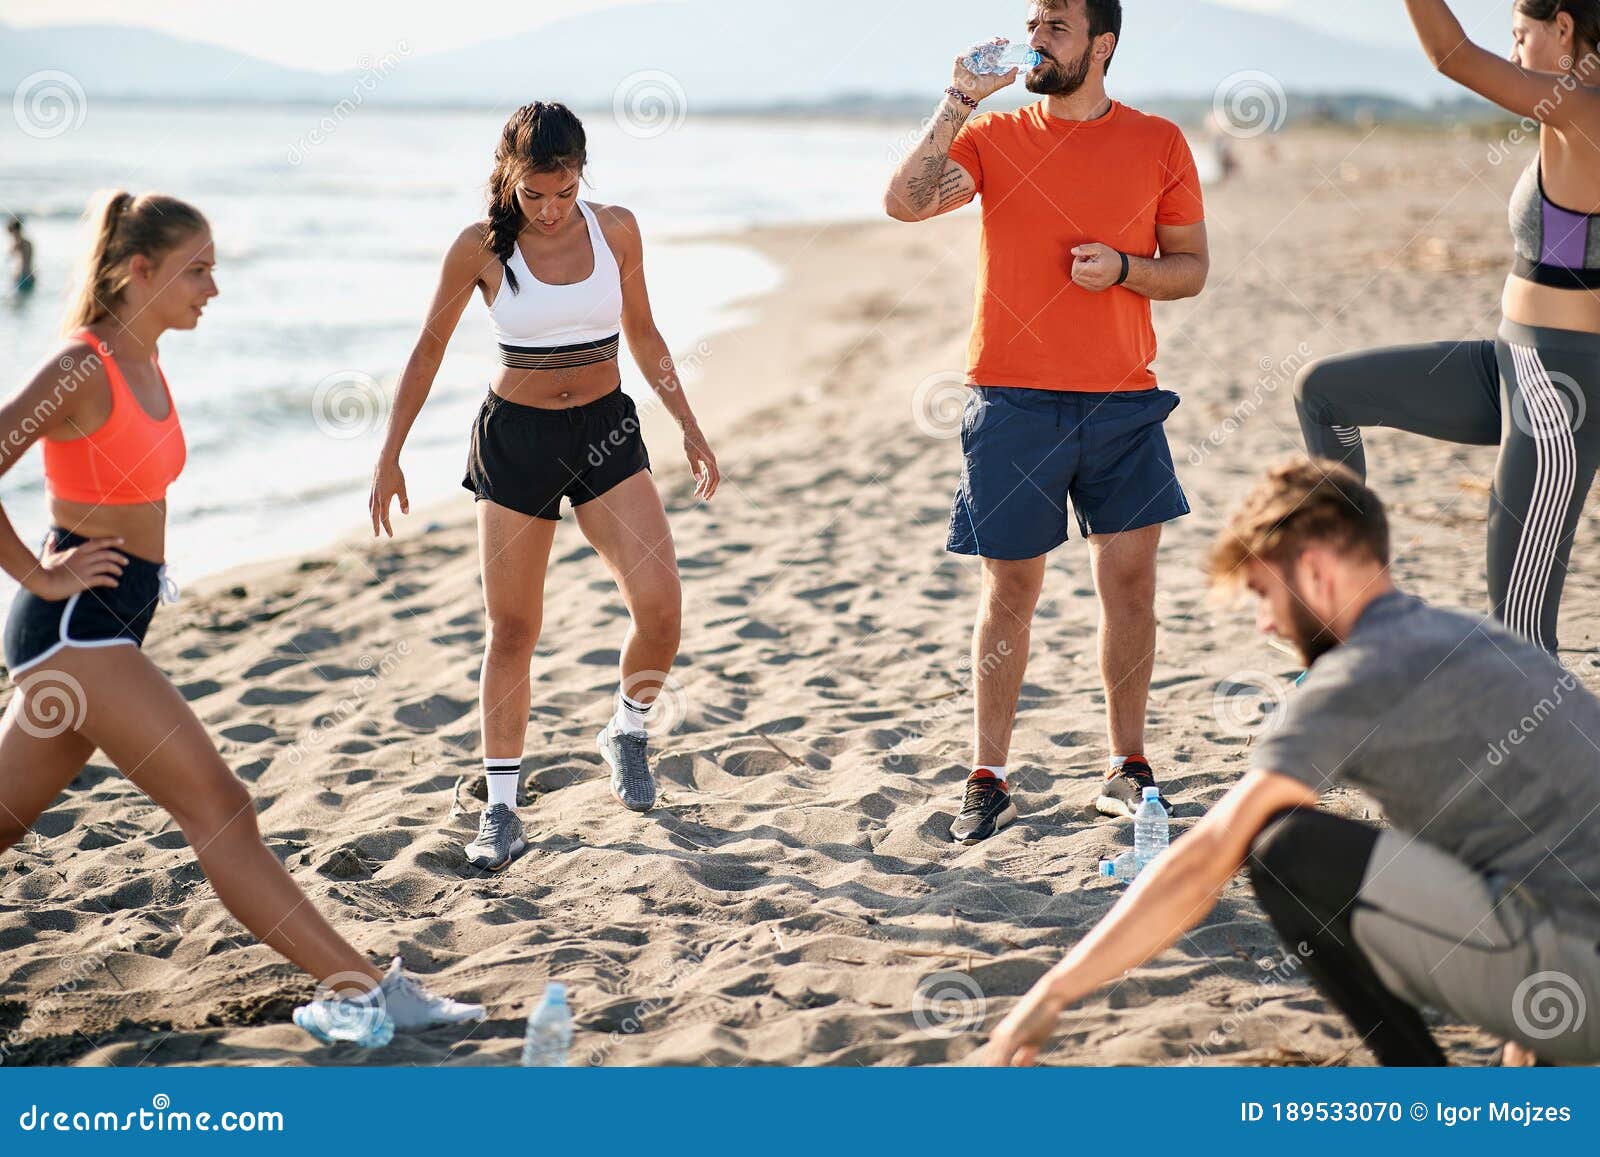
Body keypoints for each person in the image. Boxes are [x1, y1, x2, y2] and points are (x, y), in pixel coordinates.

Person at [0, 191, 482, 1042]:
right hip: (79, 633)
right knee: (221, 807)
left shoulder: (145, 358)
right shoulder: (83, 365)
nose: (214, 289)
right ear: (137, 269)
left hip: (97, 631)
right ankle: (362, 990)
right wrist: (39, 570)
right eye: (198, 269)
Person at [981, 458, 1600, 1067]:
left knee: (1285, 849)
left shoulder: (1358, 674)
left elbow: (1205, 860)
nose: (1265, 624)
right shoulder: (1469, 637)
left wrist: (1053, 993)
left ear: (1312, 570)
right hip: (1569, 967)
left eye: (1263, 594)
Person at [883, 0, 1209, 843]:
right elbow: (905, 205)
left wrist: (1128, 270)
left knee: (1129, 587)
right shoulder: (997, 138)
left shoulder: (1159, 142)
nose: (1036, 37)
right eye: (1033, 22)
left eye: (1055, 26)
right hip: (1013, 401)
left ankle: (1126, 765)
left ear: (1101, 45)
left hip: (1125, 400)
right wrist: (958, 100)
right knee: (1009, 592)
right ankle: (987, 775)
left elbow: (1190, 268)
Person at [369, 102, 720, 872]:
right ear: (509, 177)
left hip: (605, 431)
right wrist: (390, 450)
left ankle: (626, 729)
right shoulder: (479, 247)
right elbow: (427, 351)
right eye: (535, 195)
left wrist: (688, 425)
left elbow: (647, 332)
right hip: (516, 441)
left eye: (563, 191)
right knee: (514, 626)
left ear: (582, 174)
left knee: (661, 608)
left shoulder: (616, 229)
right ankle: (500, 809)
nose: (551, 209)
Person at [1296, 0, 1600, 654]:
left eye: (1521, 36)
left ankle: (1554, 755)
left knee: (1519, 637)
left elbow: (1452, 56)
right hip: (1508, 364)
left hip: (1556, 392)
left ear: (1565, 29)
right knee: (1323, 392)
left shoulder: (1584, 109)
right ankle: (1351, 622)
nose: (1515, 53)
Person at [7, 217, 35, 297]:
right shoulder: (29, 242)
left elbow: (9, 256)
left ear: (15, 231)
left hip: (22, 276)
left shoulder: (18, 244)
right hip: (31, 276)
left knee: (18, 302)